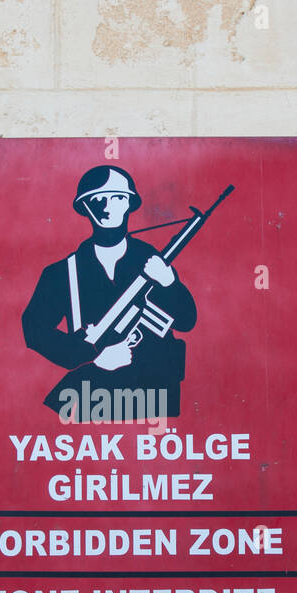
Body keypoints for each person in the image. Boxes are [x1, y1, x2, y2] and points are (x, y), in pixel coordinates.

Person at [21, 166, 197, 419]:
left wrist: (169, 282)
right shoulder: (61, 273)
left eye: (116, 197)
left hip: (157, 397)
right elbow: (34, 331)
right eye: (97, 200)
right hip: (96, 399)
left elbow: (187, 321)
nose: (107, 207)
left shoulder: (153, 261)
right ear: (85, 207)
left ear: (129, 204)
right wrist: (95, 358)